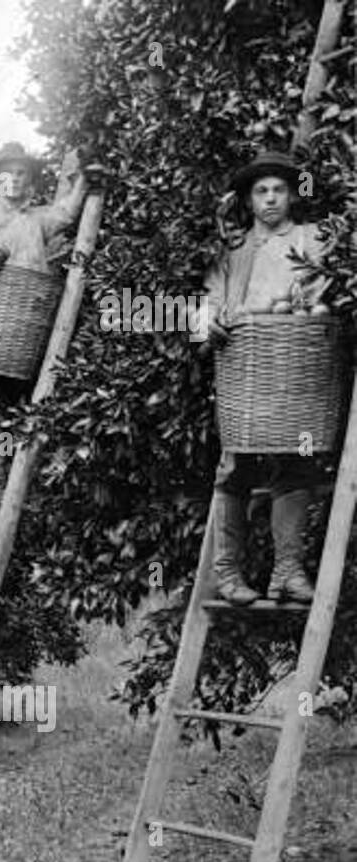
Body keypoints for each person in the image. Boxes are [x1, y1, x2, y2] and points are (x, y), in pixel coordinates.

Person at [191, 150, 331, 605]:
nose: (271, 199)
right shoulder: (233, 252)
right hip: (246, 374)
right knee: (235, 467)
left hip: (296, 371)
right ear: (249, 201)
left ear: (292, 195)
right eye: (261, 191)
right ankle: (228, 575)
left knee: (299, 461)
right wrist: (206, 324)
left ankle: (286, 571)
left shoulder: (312, 239)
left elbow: (329, 292)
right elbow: (207, 306)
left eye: (278, 190)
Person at [0, 142, 89, 512]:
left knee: (28, 409)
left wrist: (85, 178)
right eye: (6, 173)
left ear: (30, 182)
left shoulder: (39, 218)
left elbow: (69, 213)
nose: (13, 180)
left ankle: (18, 484)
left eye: (21, 173)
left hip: (27, 330)